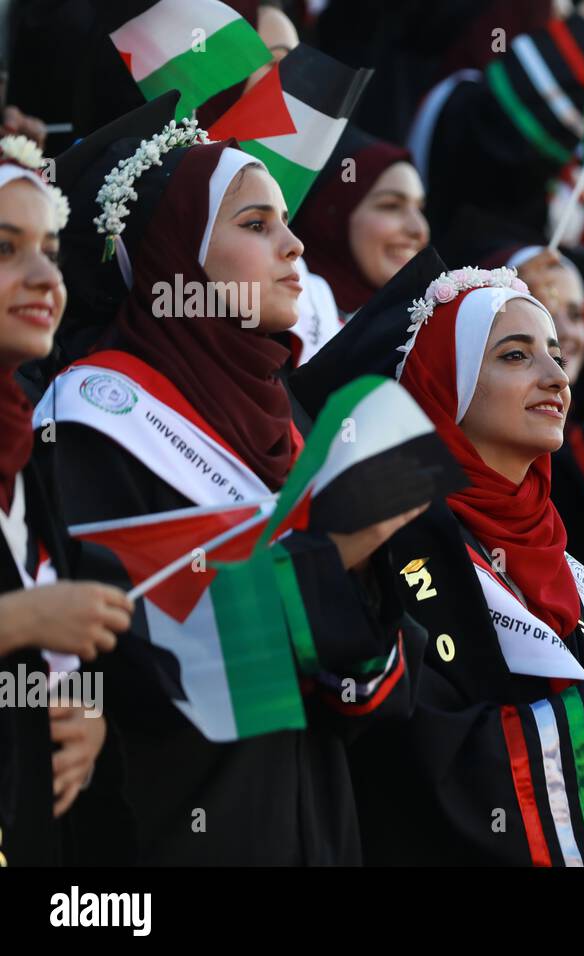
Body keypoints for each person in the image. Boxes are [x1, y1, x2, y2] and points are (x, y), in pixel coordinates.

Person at [34, 117, 422, 864]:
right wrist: (326, 557)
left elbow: (373, 702)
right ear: (174, 256)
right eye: (255, 222)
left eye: (288, 221)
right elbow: (136, 660)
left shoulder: (294, 423)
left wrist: (365, 573)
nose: (295, 246)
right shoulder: (89, 418)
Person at [326, 263, 584, 864]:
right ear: (445, 386)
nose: (556, 376)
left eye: (556, 356)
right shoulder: (393, 544)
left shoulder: (554, 549)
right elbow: (414, 759)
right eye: (516, 357)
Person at [0, 135, 132, 866]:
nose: (45, 275)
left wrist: (83, 707)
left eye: (50, 247)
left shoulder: (24, 442)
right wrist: (18, 620)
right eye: (5, 246)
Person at [294, 124, 429, 321]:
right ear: (331, 217)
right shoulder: (282, 327)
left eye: (420, 208)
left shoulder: (415, 328)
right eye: (391, 205)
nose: (419, 229)